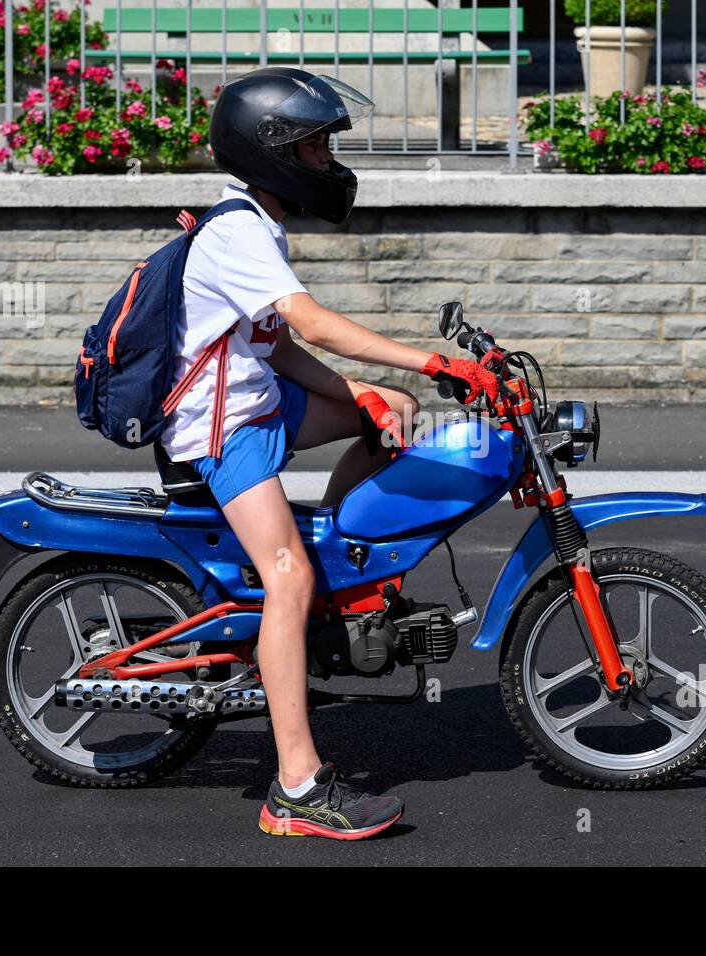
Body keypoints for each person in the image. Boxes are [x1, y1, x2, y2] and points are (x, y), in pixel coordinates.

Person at [160, 68, 498, 840]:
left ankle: (345, 555)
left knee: (394, 417)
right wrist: (432, 362)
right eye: (314, 147)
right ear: (271, 150)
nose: (327, 162)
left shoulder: (255, 222)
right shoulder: (238, 231)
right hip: (222, 429)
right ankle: (295, 789)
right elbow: (309, 323)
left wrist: (368, 390)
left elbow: (278, 350)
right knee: (288, 577)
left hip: (254, 399)